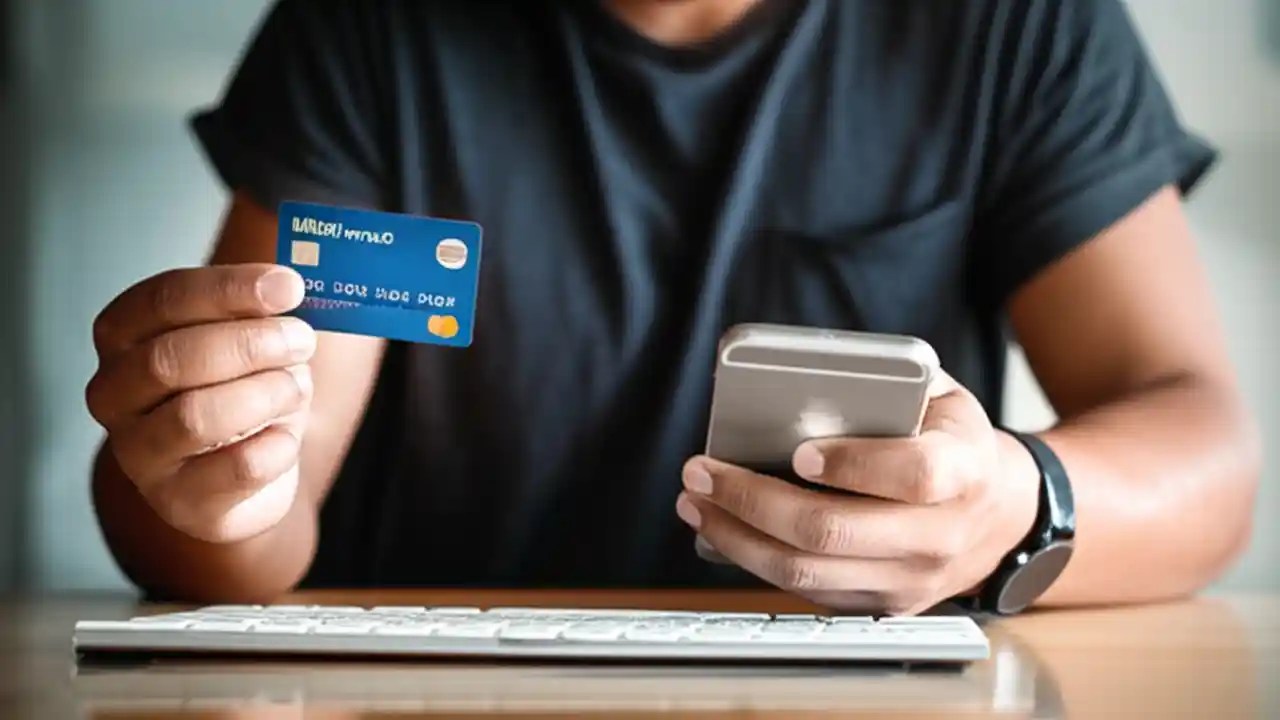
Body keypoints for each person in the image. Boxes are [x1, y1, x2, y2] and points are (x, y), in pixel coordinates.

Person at [85, 0, 1259, 613]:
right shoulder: (373, 30)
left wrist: (1014, 506)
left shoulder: (1016, 23)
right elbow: (251, 498)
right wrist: (202, 480)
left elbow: (1202, 447)